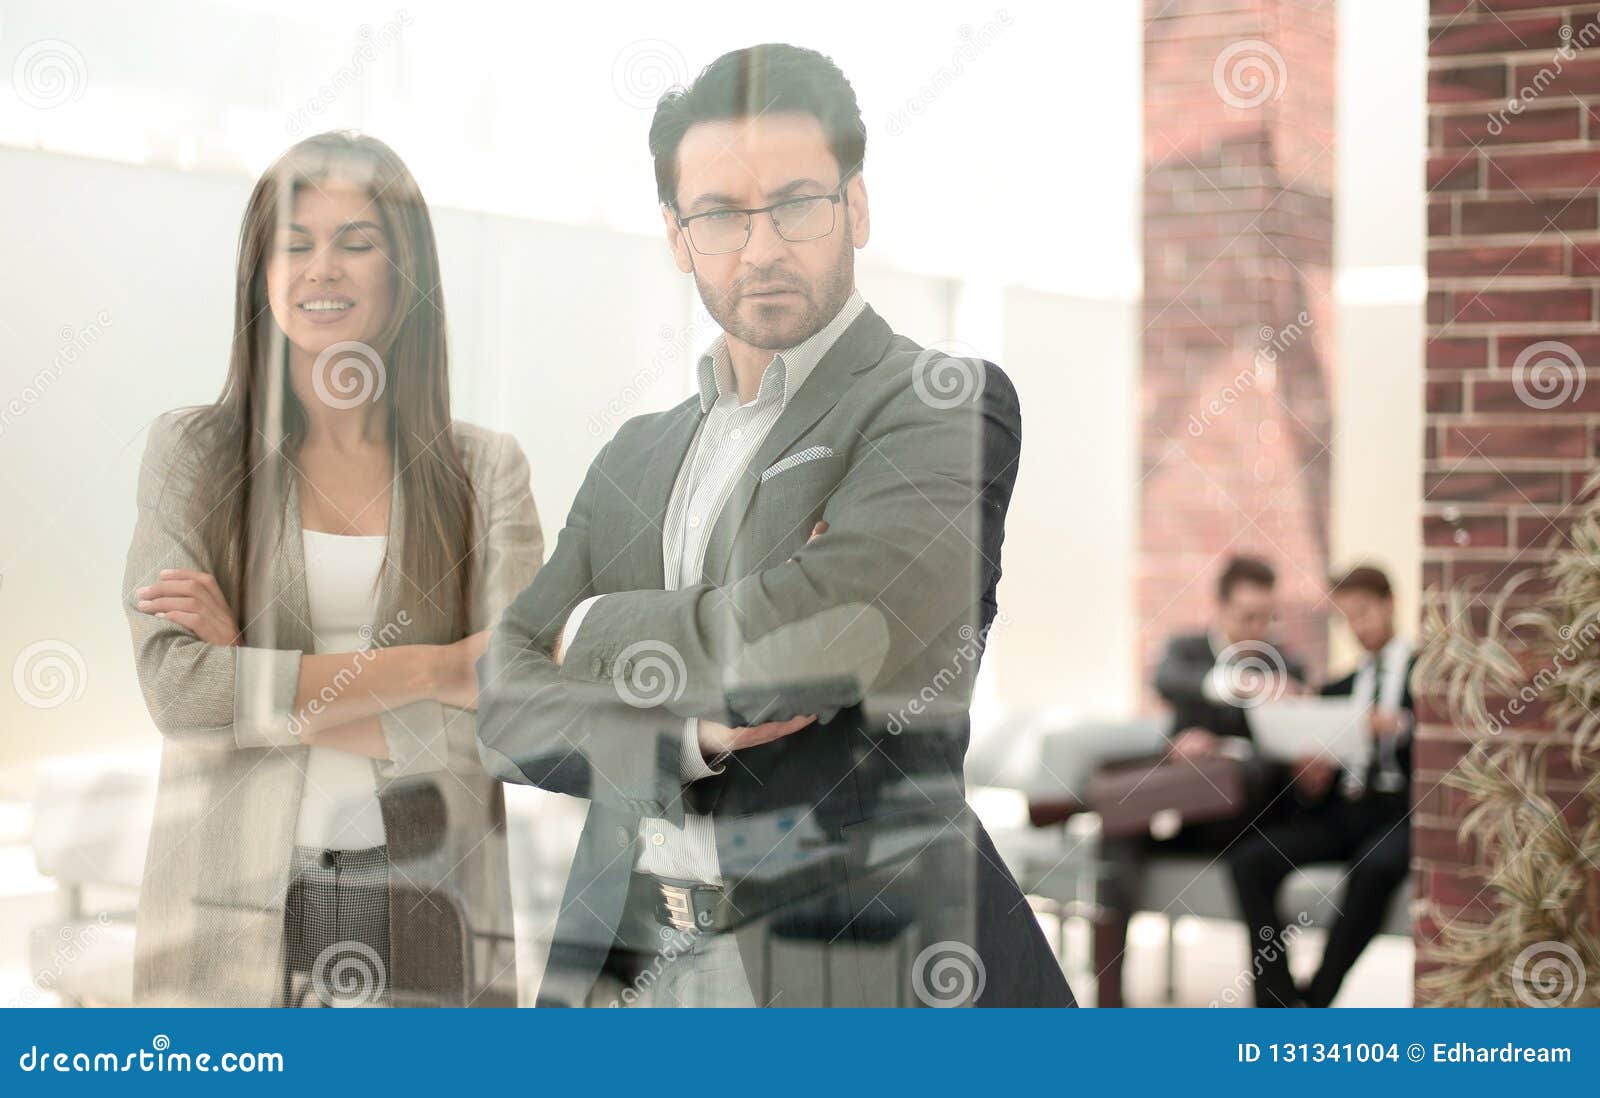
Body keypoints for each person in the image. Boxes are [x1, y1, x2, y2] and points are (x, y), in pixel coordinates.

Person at [473, 43, 1073, 1008]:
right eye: (719, 215)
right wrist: (684, 731)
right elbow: (502, 708)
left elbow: (833, 635)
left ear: (856, 209)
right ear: (678, 236)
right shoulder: (633, 451)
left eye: (796, 202)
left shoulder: (938, 403)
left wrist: (590, 633)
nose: (761, 248)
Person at [122, 132, 542, 1007]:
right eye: (297, 243)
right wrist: (435, 669)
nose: (324, 269)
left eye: (356, 243)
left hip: (429, 889)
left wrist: (257, 674)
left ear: (404, 272)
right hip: (232, 901)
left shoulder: (483, 471)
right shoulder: (194, 455)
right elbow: (181, 694)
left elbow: (513, 722)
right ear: (260, 270)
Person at [1094, 554, 1306, 1007]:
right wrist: (1191, 738)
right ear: (1221, 608)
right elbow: (1168, 679)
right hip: (1179, 814)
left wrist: (1227, 747)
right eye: (1246, 616)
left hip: (1242, 821)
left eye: (1266, 617)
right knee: (1115, 836)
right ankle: (1107, 1002)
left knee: (1250, 778)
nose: (1257, 628)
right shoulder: (1186, 652)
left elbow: (1286, 752)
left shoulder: (1286, 665)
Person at [1227, 564, 1415, 1007]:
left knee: (1374, 868)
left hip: (1400, 812)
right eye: (1347, 618)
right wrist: (1309, 776)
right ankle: (1276, 1001)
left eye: (1365, 612)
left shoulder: (1427, 678)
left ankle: (1316, 1000)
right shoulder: (1338, 689)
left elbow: (1445, 747)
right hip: (1345, 810)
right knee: (1249, 862)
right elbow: (1317, 774)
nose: (1358, 627)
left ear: (1390, 604)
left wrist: (1400, 728)